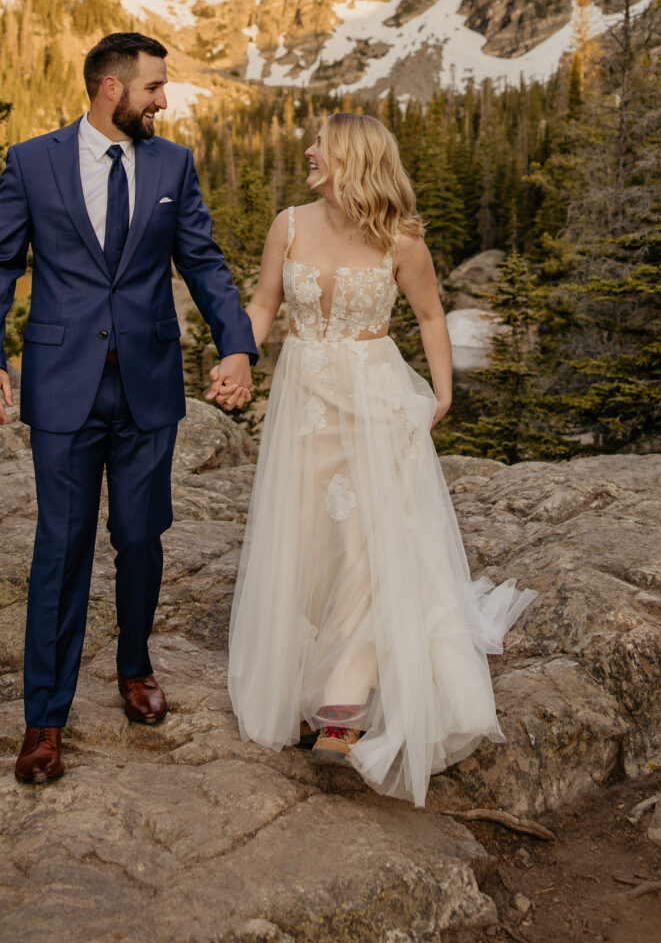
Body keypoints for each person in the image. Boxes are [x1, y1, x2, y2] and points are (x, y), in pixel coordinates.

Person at [219, 112, 534, 806]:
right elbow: (265, 303)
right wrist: (237, 354)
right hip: (303, 404)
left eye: (319, 145)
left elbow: (428, 316)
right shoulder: (289, 224)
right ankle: (305, 670)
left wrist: (441, 394)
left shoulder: (400, 239)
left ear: (351, 159)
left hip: (379, 403)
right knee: (304, 539)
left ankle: (340, 701)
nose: (307, 151)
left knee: (366, 546)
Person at [0, 32, 255, 786]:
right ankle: (44, 718)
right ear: (108, 88)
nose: (163, 100)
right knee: (59, 549)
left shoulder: (171, 163)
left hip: (149, 384)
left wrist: (237, 346)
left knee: (140, 537)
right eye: (153, 87)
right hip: (62, 386)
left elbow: (201, 260)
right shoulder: (32, 162)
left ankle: (134, 665)